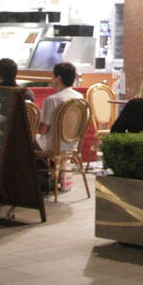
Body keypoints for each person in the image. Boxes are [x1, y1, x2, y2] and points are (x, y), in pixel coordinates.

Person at [37, 61, 84, 193]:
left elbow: (43, 130)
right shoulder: (80, 98)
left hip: (53, 145)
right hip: (72, 144)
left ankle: (39, 183)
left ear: (58, 78)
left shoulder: (52, 100)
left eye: (52, 76)